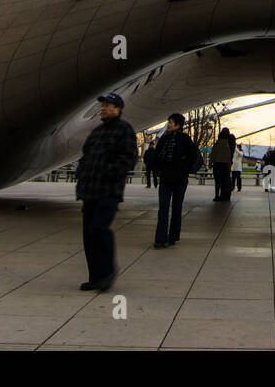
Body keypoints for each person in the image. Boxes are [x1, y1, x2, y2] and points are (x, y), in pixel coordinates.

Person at [75, 93, 138, 290]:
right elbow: (85, 157)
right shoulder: (97, 132)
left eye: (108, 105)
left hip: (108, 190)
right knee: (88, 234)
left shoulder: (124, 130)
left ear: (118, 109)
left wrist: (110, 173)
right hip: (90, 191)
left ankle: (108, 272)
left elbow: (128, 158)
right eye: (103, 105)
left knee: (99, 229)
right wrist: (82, 174)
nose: (104, 108)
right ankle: (95, 277)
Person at [153, 113, 198, 248]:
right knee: (163, 208)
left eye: (171, 122)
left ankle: (172, 237)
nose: (169, 125)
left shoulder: (184, 139)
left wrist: (184, 169)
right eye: (168, 122)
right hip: (166, 178)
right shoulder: (164, 139)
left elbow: (193, 156)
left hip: (179, 179)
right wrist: (158, 170)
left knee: (176, 208)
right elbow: (156, 156)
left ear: (178, 125)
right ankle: (161, 238)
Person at [210, 128, 234, 201]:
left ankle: (217, 195)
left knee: (217, 181)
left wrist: (210, 162)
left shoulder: (218, 143)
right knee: (224, 181)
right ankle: (223, 195)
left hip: (217, 164)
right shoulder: (228, 143)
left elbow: (213, 153)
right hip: (225, 165)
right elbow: (229, 156)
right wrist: (229, 165)